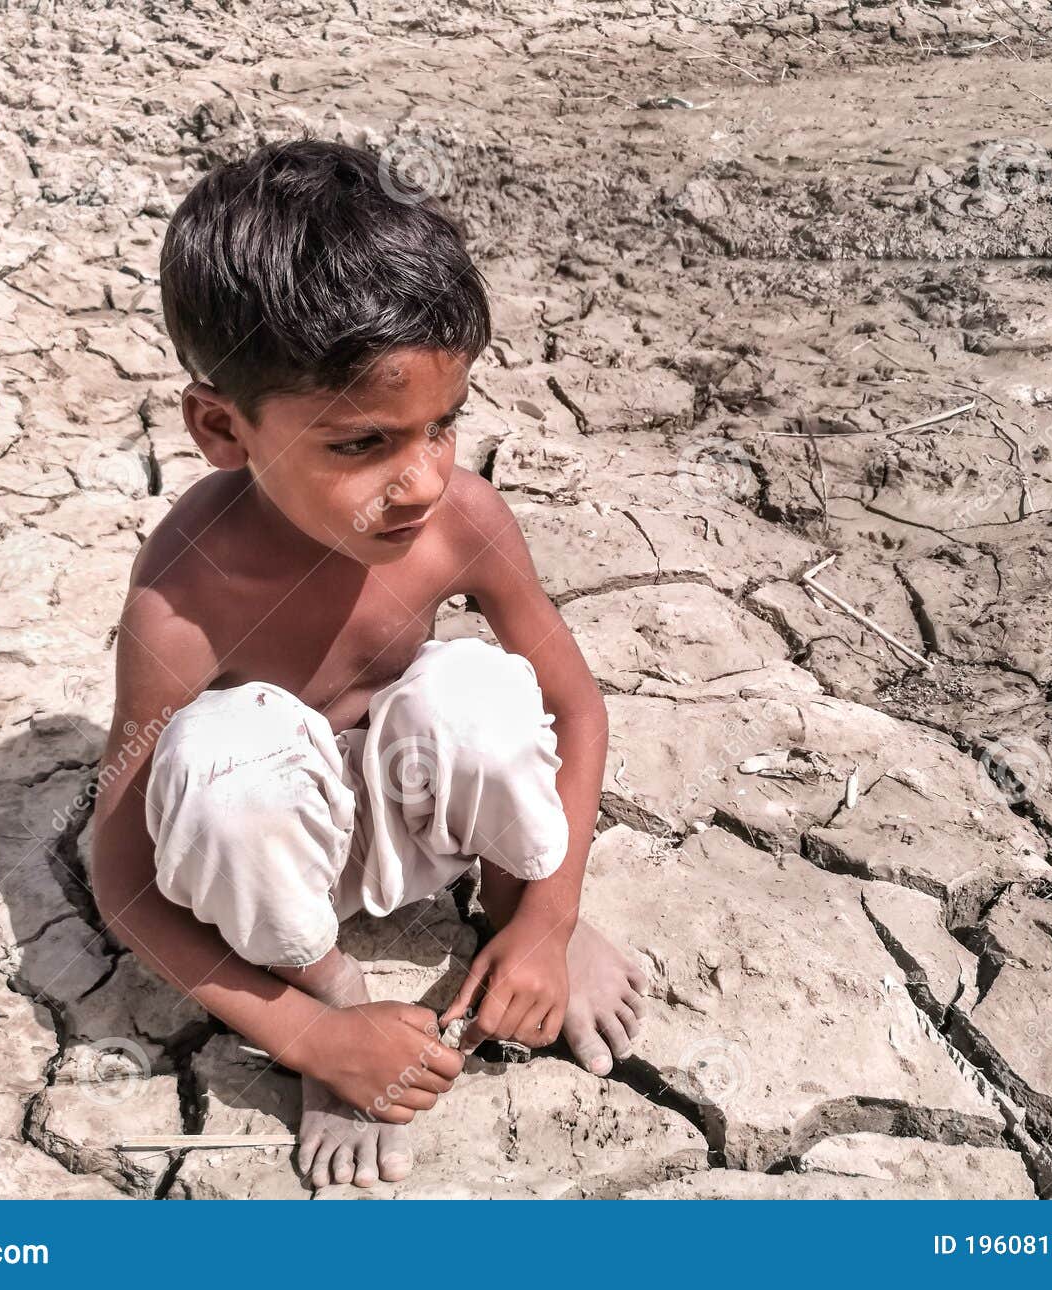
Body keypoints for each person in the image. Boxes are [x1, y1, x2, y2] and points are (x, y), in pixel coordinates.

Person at [88, 137, 648, 1190]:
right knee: (223, 754)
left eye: (444, 426)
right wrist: (311, 1037)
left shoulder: (459, 522)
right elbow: (118, 878)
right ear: (221, 426)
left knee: (476, 694)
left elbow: (573, 707)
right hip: (268, 866)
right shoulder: (182, 597)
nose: (424, 479)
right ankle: (332, 983)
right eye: (362, 445)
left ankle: (499, 916)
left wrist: (547, 916)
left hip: (413, 812)